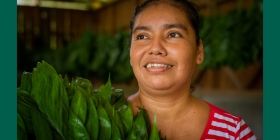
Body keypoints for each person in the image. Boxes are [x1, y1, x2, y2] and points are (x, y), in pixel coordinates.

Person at [127, 0, 257, 140]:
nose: (156, 48)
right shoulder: (104, 117)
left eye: (173, 34)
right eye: (142, 36)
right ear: (130, 54)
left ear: (199, 51)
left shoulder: (233, 133)